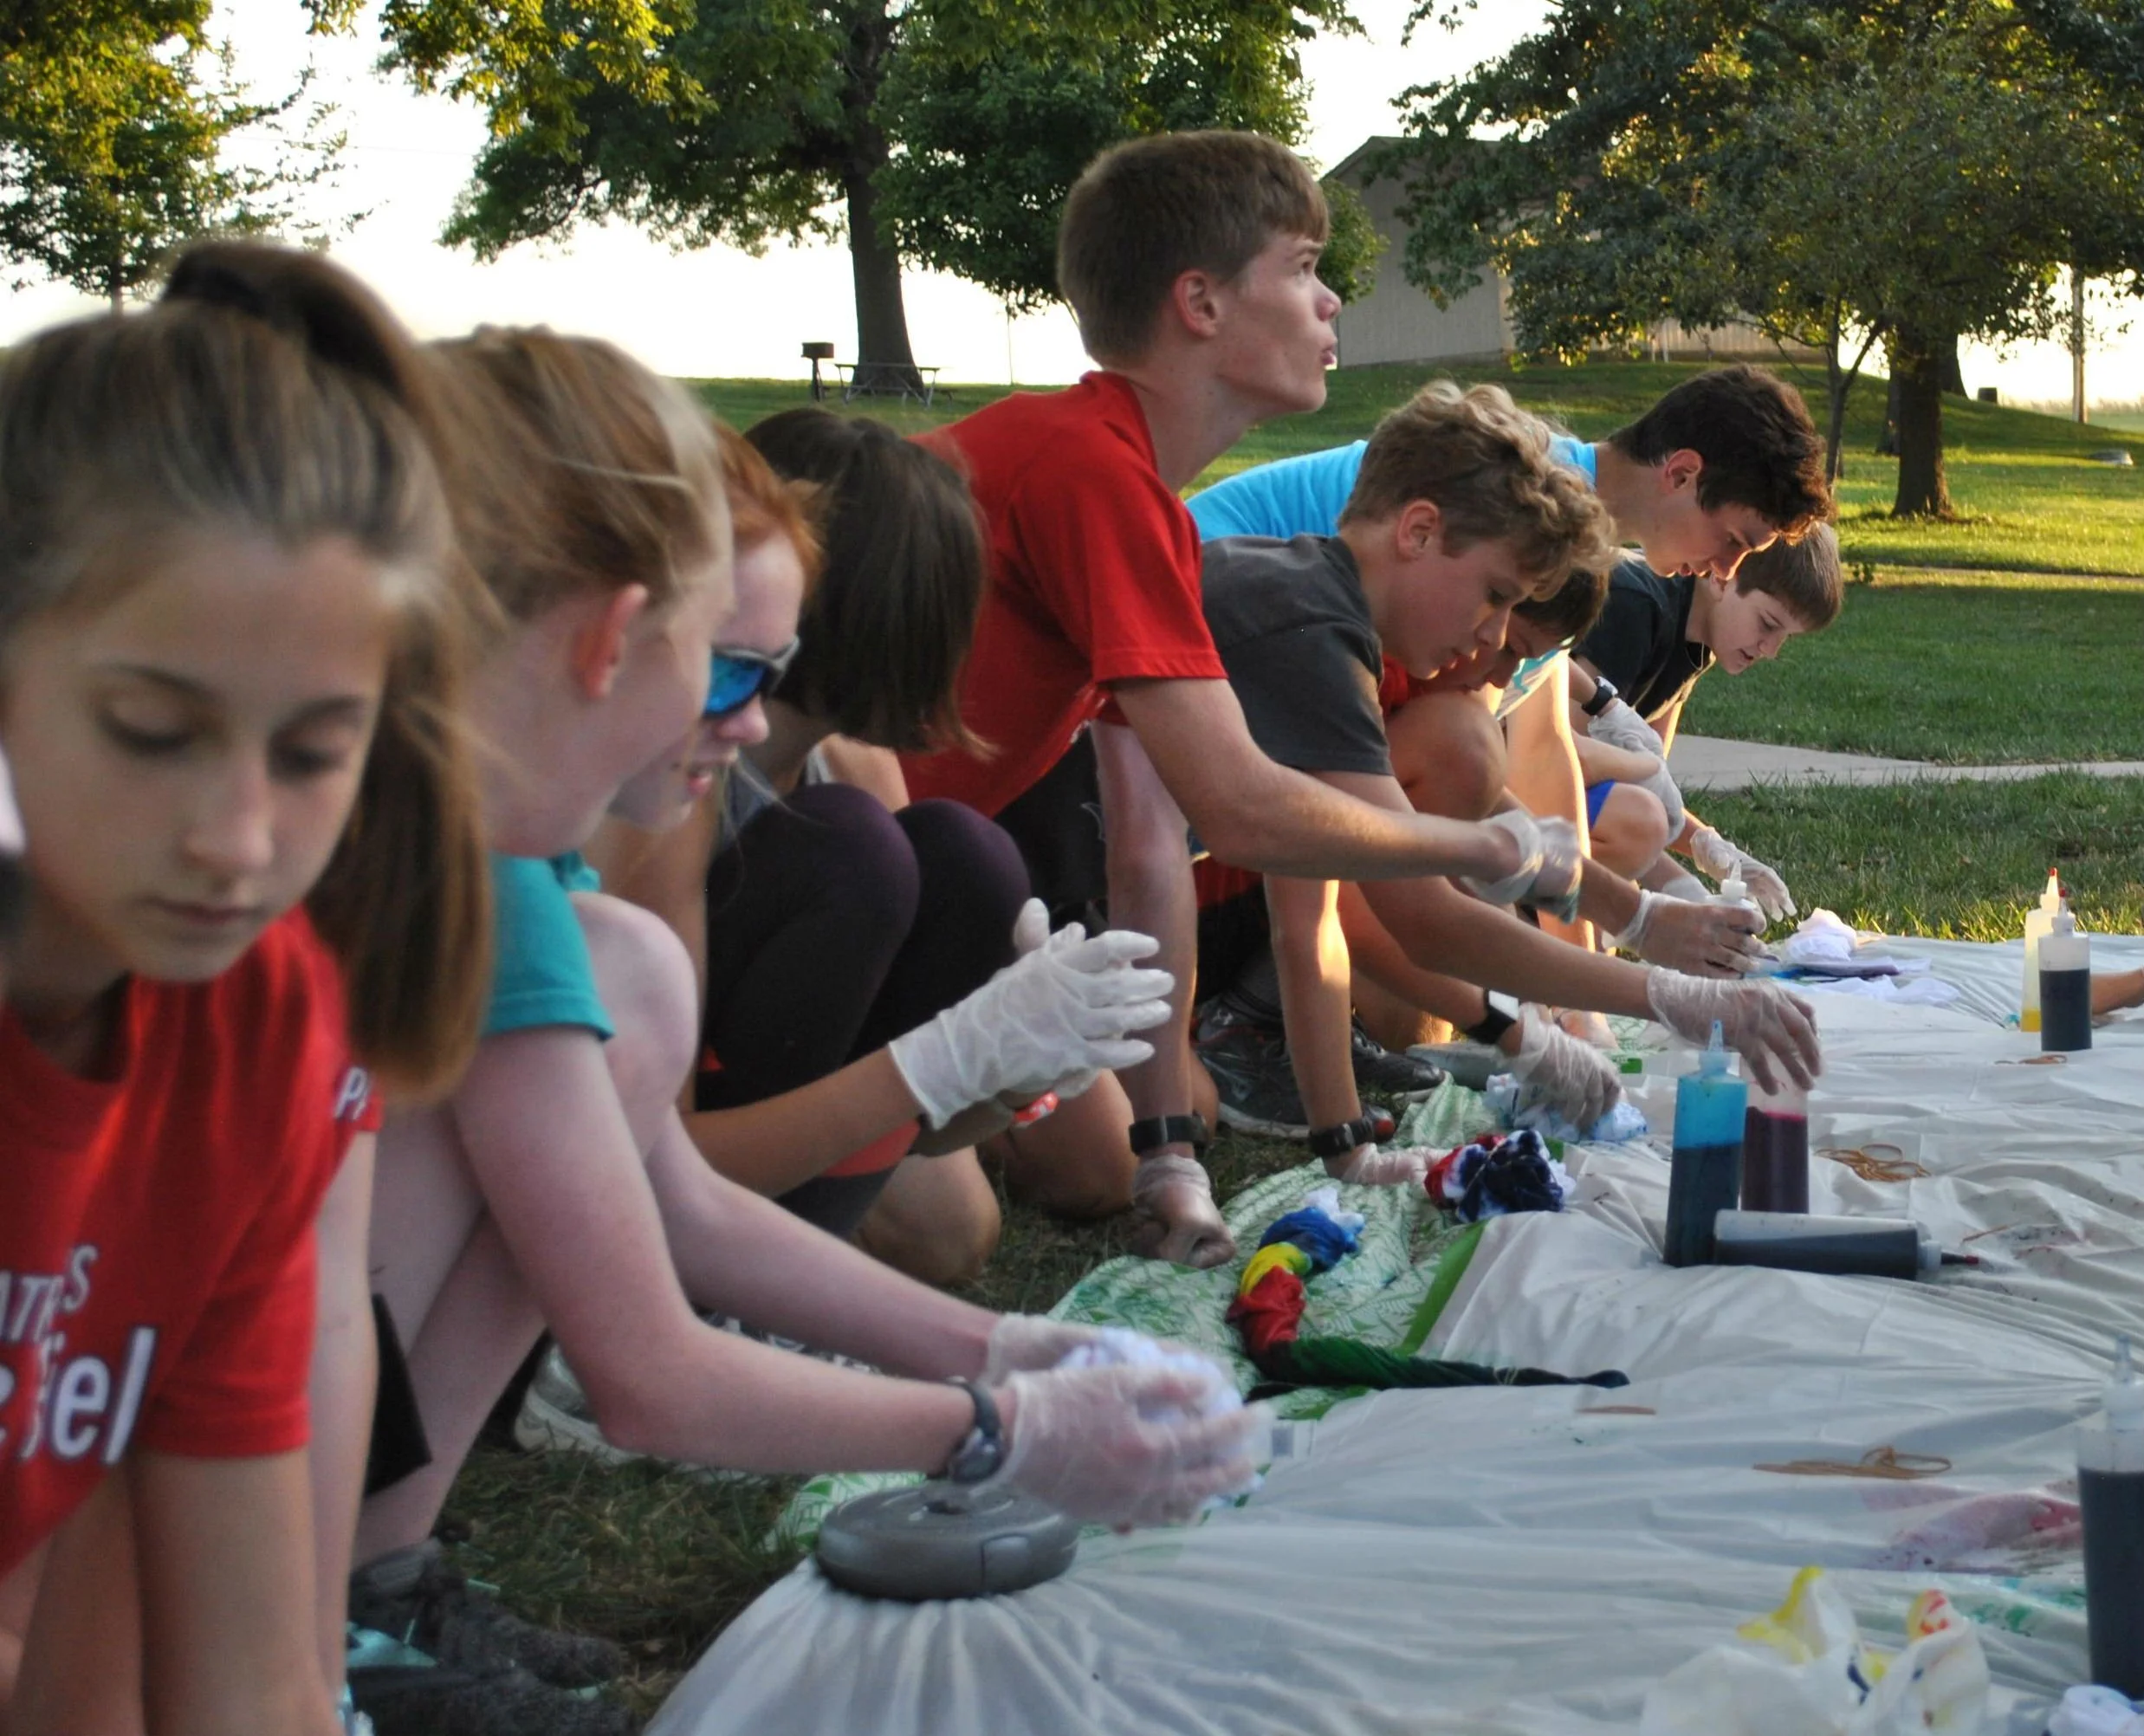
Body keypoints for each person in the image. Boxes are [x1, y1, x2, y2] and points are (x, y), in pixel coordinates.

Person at [347, 329, 1263, 1736]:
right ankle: (326, 1610)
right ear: (610, 636)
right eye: (731, 674)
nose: (756, 719)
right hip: (165, 1421)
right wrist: (1000, 1424)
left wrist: (1009, 1346)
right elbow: (652, 1362)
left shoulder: (529, 874)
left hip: (248, 1380)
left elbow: (679, 1204)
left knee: (633, 979)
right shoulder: (418, 859)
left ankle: (373, 1574)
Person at [900, 130, 1583, 1270]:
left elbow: (1148, 849)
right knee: (947, 1228)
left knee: (1095, 1171)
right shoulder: (1083, 468)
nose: (1330, 304)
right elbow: (1249, 810)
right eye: (1305, 268)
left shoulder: (1149, 509)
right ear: (1200, 302)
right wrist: (1492, 845)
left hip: (913, 872)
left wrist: (1167, 1145)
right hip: (791, 871)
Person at [0, 243, 489, 1736]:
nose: (237, 842)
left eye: (310, 751)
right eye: (152, 729)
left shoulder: (260, 1017)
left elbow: (245, 1674)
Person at [1191, 382, 1821, 1180]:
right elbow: (1401, 891)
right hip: (1150, 852)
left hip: (1209, 840)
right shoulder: (1355, 604)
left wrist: (1615, 942)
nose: (1485, 648)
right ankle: (1244, 1017)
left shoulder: (1484, 558)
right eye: (1735, 538)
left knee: (1409, 956)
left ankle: (1264, 1021)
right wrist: (1615, 995)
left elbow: (1528, 759)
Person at [590, 412, 1130, 1292]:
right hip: (629, 1143)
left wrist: (1006, 1072)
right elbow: (664, 1144)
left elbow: (915, 1127)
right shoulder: (672, 789)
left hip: (718, 1120)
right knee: (859, 851)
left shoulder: (854, 766)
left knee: (968, 857)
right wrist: (941, 1060)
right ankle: (701, 1288)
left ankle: (760, 1275)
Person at [1568, 526, 1843, 909]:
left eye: (1787, 637)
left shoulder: (1697, 640)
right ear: (1721, 577)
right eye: (1768, 623)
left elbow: (1650, 785)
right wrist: (1673, 895)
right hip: (1499, 778)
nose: (1772, 650)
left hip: (1546, 790)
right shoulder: (1635, 605)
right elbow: (1559, 757)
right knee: (1632, 839)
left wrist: (1711, 852)